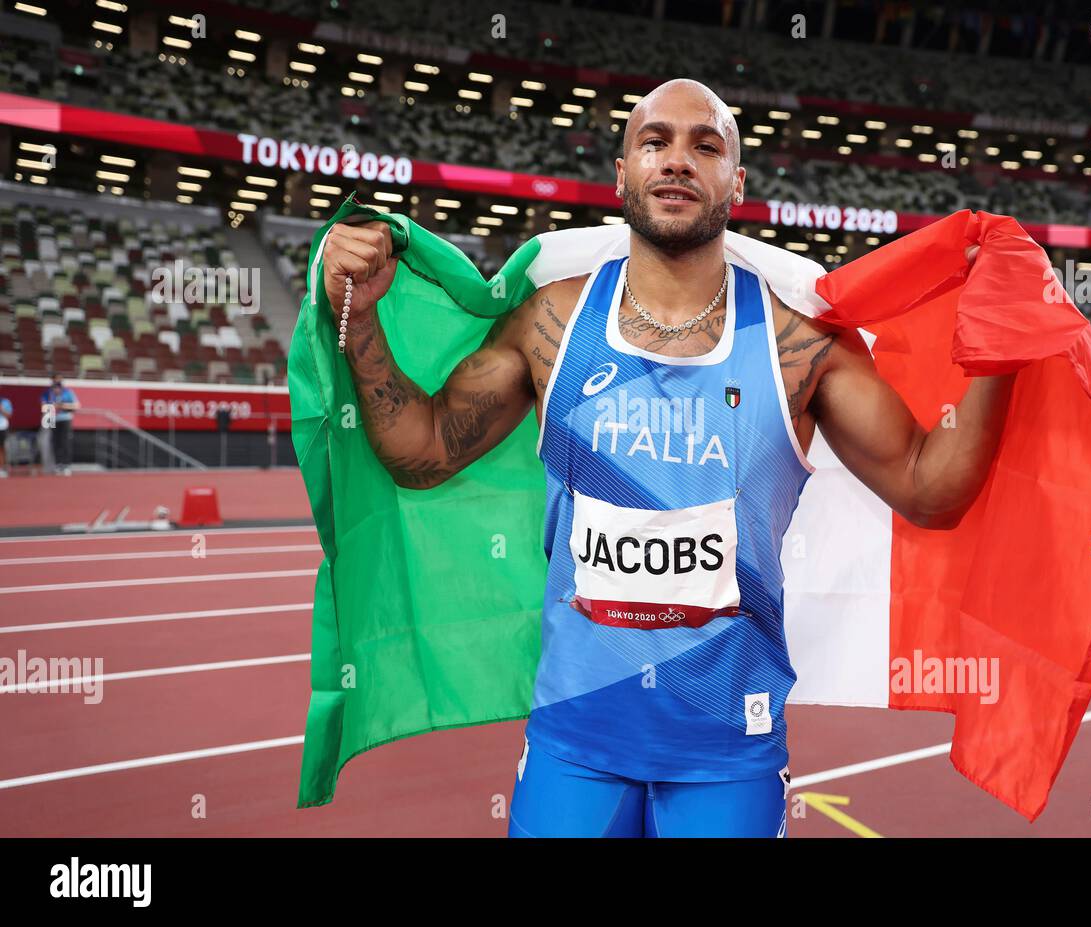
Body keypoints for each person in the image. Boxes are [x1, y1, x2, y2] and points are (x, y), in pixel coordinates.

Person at [321, 78, 1014, 838]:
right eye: (655, 142)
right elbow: (420, 452)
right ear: (622, 173)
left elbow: (929, 487)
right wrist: (357, 317)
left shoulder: (798, 346)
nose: (678, 160)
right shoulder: (552, 322)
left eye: (705, 145)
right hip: (575, 742)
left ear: (736, 181)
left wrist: (1001, 348)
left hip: (727, 749)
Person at [40, 373, 80, 476]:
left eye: (59, 380)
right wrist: (51, 407)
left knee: (65, 442)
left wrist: (61, 406)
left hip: (65, 419)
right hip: (50, 418)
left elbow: (76, 406)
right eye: (55, 380)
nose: (57, 382)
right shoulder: (47, 393)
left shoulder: (68, 392)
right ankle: (56, 464)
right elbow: (44, 407)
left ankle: (66, 465)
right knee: (53, 442)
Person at [0, 396, 11, 477]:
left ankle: (2, 468)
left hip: (2, 427)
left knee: (2, 449)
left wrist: (1, 409)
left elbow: (9, 415)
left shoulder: (5, 401)